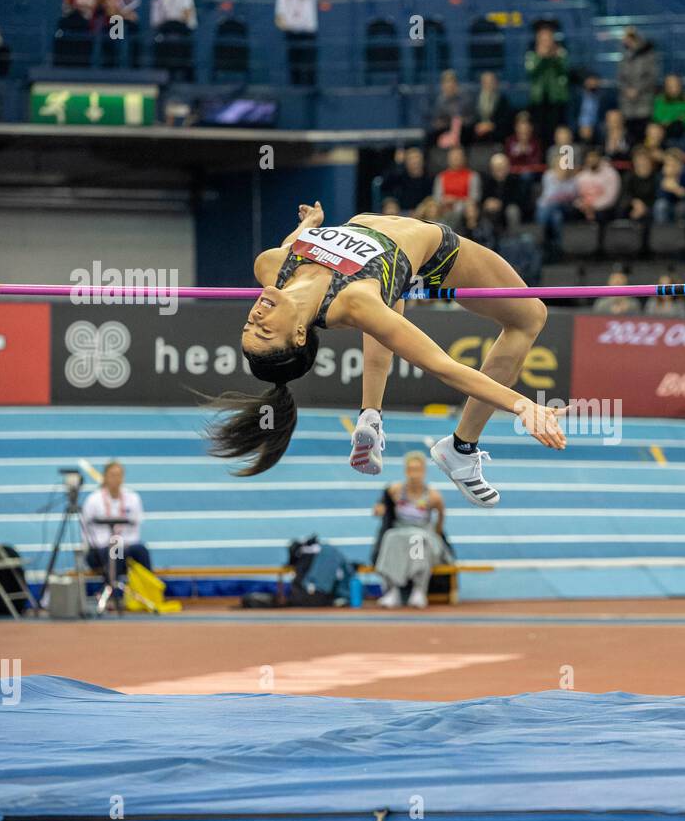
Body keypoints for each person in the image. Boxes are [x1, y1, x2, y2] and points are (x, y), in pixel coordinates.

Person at [207, 206, 566, 507]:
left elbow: (292, 245)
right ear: (300, 335)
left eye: (249, 326)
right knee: (531, 317)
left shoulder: (269, 266)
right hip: (436, 252)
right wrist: (522, 406)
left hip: (380, 242)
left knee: (386, 301)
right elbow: (443, 365)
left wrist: (309, 224)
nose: (255, 318)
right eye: (265, 331)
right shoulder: (355, 303)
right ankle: (461, 447)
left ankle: (371, 416)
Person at [371, 451, 452, 609]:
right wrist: (380, 509)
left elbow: (441, 517)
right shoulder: (395, 491)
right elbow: (380, 507)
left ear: (424, 471)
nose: (414, 474)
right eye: (411, 470)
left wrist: (436, 533)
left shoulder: (434, 496)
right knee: (390, 537)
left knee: (417, 539)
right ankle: (392, 589)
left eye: (418, 470)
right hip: (400, 530)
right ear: (406, 471)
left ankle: (419, 589)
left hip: (423, 532)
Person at [81, 461, 153, 579]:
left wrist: (123, 543)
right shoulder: (93, 500)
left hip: (125, 546)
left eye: (119, 475)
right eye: (112, 475)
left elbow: (136, 528)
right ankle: (112, 590)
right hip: (100, 548)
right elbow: (85, 530)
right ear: (105, 477)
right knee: (116, 551)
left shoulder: (132, 498)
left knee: (141, 551)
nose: (116, 479)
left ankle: (147, 590)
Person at [525, 23, 569, 146]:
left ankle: (566, 162)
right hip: (538, 101)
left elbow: (565, 70)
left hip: (557, 100)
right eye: (542, 39)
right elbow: (531, 72)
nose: (546, 42)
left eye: (548, 38)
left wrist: (554, 57)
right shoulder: (532, 55)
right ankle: (543, 162)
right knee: (539, 133)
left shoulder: (561, 53)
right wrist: (541, 57)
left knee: (561, 132)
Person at [616, 25, 659, 143]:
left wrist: (637, 90)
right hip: (627, 105)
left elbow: (652, 77)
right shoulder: (625, 56)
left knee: (643, 134)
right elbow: (620, 78)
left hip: (644, 103)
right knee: (629, 135)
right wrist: (627, 90)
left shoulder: (649, 55)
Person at [274, 0, 317, 86]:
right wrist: (289, 25)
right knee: (294, 66)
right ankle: (295, 90)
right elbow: (279, 19)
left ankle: (310, 90)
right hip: (291, 35)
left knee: (309, 66)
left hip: (308, 35)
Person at [432, 147, 481, 223]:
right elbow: (437, 197)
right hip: (444, 207)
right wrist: (444, 201)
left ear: (464, 159)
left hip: (464, 206)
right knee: (433, 209)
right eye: (453, 157)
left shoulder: (472, 175)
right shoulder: (441, 177)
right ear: (448, 159)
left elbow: (474, 197)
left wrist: (455, 200)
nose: (456, 159)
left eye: (458, 156)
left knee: (464, 209)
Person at [481, 152, 528, 229]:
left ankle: (513, 236)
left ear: (508, 167)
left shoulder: (516, 180)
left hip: (509, 210)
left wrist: (501, 204)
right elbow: (483, 198)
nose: (499, 169)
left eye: (502, 166)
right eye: (496, 167)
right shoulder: (488, 181)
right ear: (491, 169)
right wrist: (487, 202)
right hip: (493, 213)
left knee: (512, 210)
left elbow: (520, 200)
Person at [572, 148, 620, 223]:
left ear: (600, 158)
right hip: (584, 208)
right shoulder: (581, 176)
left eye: (594, 157)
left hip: (603, 208)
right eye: (589, 157)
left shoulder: (610, 174)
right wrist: (582, 206)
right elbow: (574, 195)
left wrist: (593, 207)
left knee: (601, 214)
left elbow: (611, 197)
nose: (591, 160)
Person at [653, 148, 685, 223]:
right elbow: (659, 196)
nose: (670, 167)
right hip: (669, 203)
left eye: (673, 164)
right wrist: (666, 183)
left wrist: (677, 189)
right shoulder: (661, 175)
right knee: (660, 205)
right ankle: (662, 231)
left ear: (680, 164)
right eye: (668, 164)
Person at [429, 69, 473, 149]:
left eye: (451, 82)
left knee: (466, 132)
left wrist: (461, 121)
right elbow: (437, 119)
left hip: (463, 128)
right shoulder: (440, 101)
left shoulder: (465, 98)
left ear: (456, 84)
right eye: (446, 83)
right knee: (430, 134)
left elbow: (471, 117)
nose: (449, 85)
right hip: (447, 126)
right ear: (442, 86)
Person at [472, 71, 513, 144]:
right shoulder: (475, 99)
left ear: (496, 83)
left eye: (491, 81)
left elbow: (506, 119)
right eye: (485, 82)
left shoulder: (502, 99)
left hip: (496, 133)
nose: (488, 84)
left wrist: (491, 126)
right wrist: (479, 126)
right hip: (479, 132)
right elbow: (473, 116)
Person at [652, 73, 685, 139]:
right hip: (664, 132)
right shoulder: (659, 100)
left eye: (676, 85)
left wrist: (681, 120)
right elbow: (658, 117)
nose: (673, 89)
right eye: (670, 86)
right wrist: (677, 117)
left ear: (680, 86)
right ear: (665, 87)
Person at [572, 72, 611, 144]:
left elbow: (606, 114)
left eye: (595, 81)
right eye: (590, 80)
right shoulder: (577, 96)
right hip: (579, 124)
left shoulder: (604, 97)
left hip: (597, 124)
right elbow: (571, 113)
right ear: (585, 82)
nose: (592, 83)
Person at [503, 111, 542, 179]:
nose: (523, 130)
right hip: (512, 173)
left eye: (526, 127)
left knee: (526, 175)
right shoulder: (510, 141)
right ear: (516, 128)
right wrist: (517, 153)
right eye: (520, 127)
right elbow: (507, 161)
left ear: (531, 128)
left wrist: (526, 152)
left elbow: (537, 162)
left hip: (530, 173)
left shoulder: (535, 142)